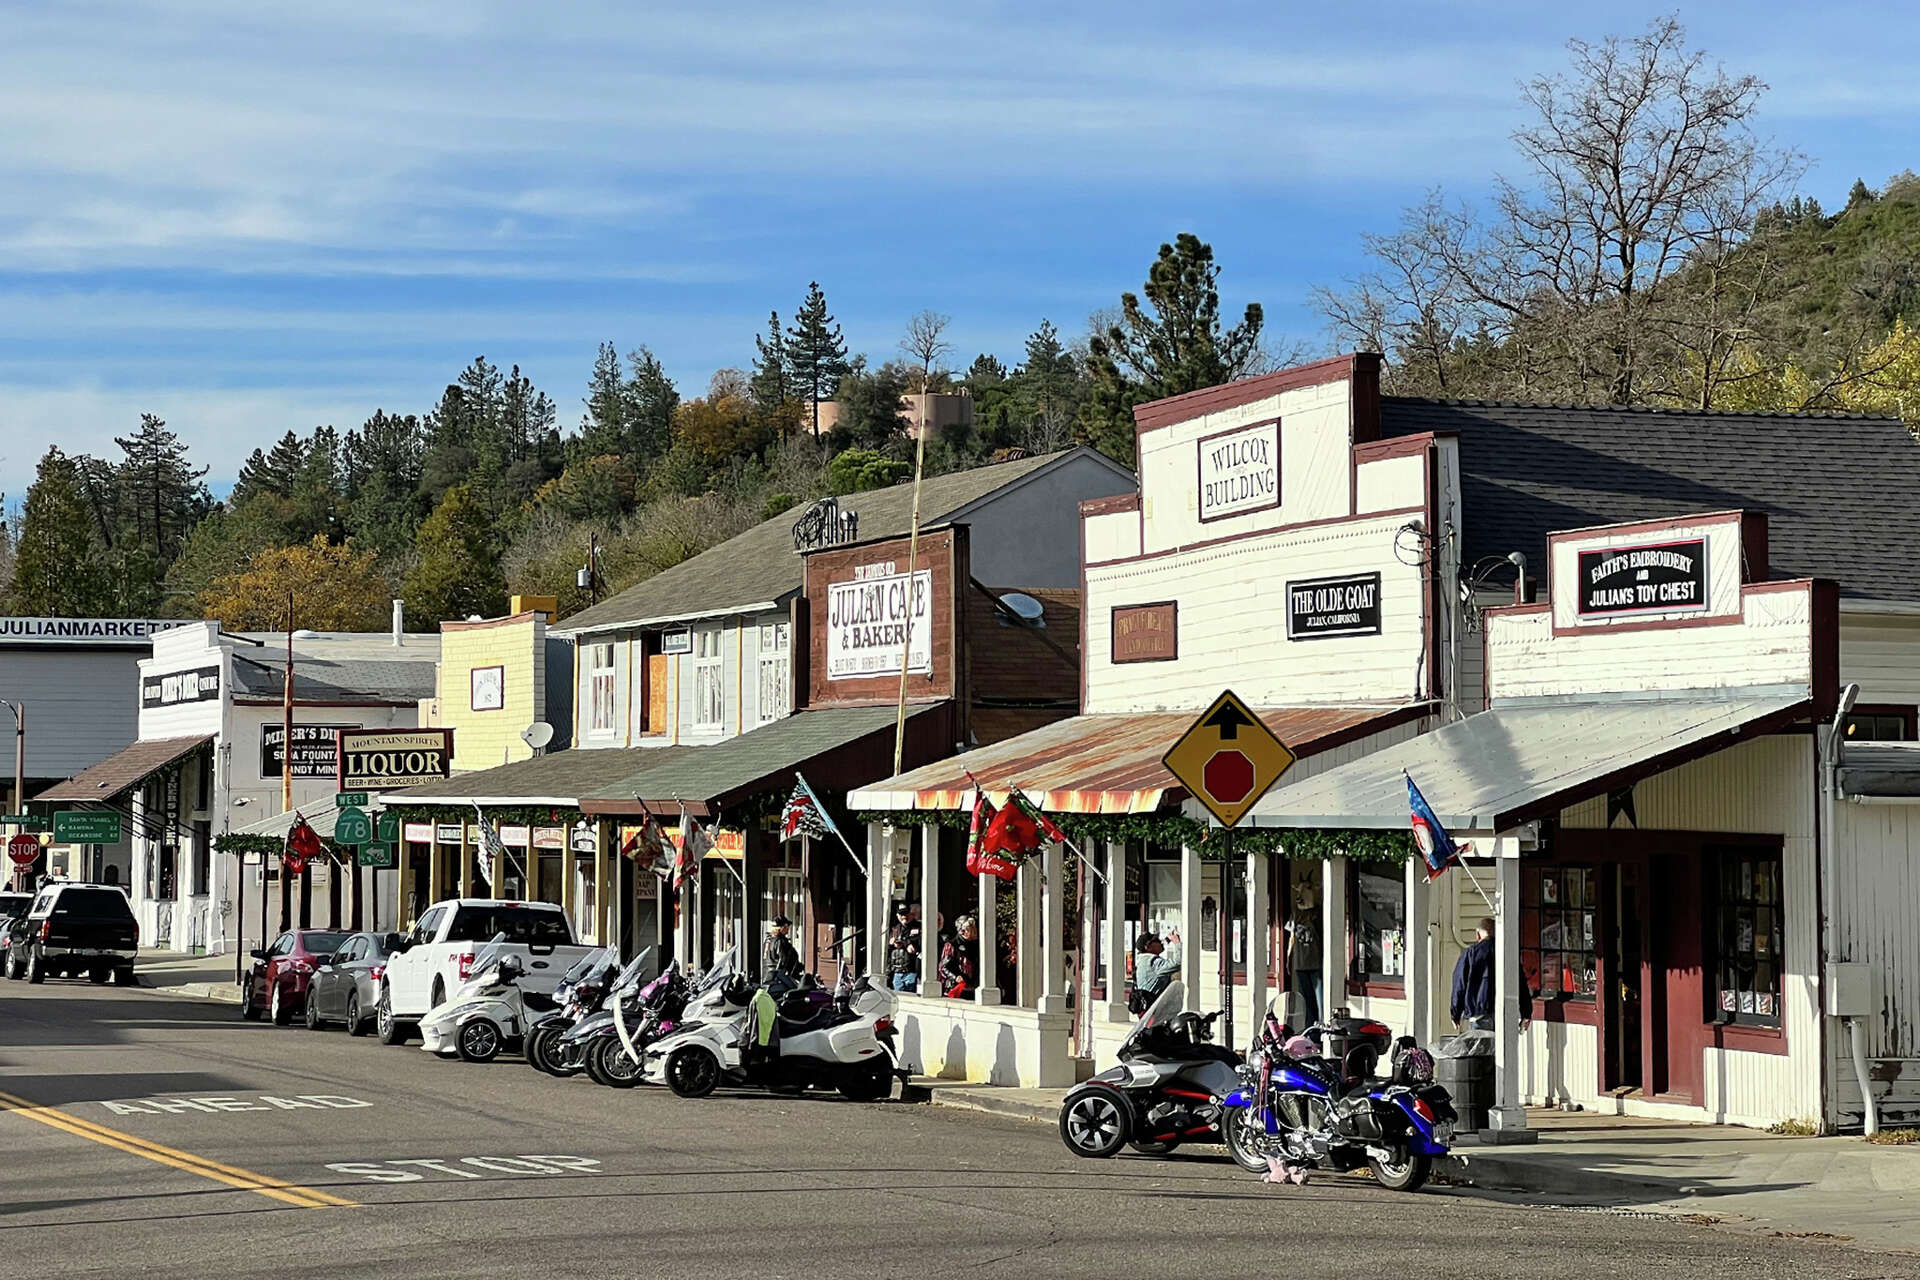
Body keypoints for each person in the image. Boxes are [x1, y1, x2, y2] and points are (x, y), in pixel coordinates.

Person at [1450, 917, 1535, 1030]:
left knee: (1481, 1047)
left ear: (1478, 935)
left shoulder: (1471, 954)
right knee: (1504, 1047)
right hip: (1505, 1013)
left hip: (1479, 1014)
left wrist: (1455, 1013)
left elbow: (1459, 984)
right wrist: (1526, 1012)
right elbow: (1520, 983)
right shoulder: (1507, 954)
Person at [1285, 885, 1322, 1028]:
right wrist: (1289, 959)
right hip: (1300, 964)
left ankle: (1321, 1029)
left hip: (1315, 963)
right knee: (1305, 1000)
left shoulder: (1317, 914)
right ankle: (1310, 1029)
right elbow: (1292, 937)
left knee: (1320, 1000)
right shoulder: (1295, 914)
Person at [1130, 930, 1181, 1012]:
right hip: (1156, 1011)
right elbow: (1178, 962)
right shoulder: (1152, 962)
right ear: (1148, 947)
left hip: (1149, 1009)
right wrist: (1177, 943)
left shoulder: (1141, 960)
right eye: (1156, 941)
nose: (1160, 942)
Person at [940, 914, 979, 998]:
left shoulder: (977, 945)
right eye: (970, 929)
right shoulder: (952, 945)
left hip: (973, 989)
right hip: (957, 988)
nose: (973, 932)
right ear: (962, 931)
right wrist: (955, 977)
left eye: (974, 929)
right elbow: (943, 967)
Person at [887, 903, 921, 992]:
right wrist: (891, 944)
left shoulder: (918, 927)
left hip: (912, 971)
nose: (904, 917)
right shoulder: (895, 929)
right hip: (897, 971)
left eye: (906, 914)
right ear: (897, 915)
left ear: (911, 914)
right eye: (901, 914)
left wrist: (905, 944)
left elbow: (919, 944)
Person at [762, 915, 801, 985]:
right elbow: (783, 960)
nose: (788, 929)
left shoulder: (768, 939)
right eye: (787, 927)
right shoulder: (780, 941)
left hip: (767, 976)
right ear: (782, 927)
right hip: (777, 977)